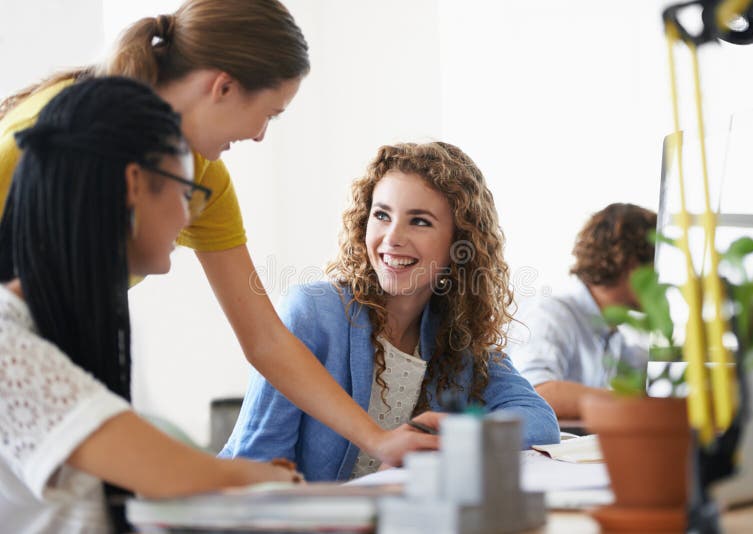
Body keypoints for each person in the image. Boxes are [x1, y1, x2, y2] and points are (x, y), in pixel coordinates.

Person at [0, 0, 437, 464]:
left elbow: (265, 339)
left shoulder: (204, 175)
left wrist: (376, 439)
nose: (261, 135)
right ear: (223, 87)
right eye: (269, 114)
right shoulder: (45, 142)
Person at [0, 77, 303, 534]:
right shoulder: (8, 345)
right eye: (185, 193)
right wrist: (267, 477)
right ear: (134, 184)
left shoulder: (60, 330)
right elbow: (180, 477)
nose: (188, 217)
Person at [220, 142, 560, 481]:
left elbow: (540, 421)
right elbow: (258, 465)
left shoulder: (457, 338)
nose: (393, 237)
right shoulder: (312, 313)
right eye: (382, 215)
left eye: (420, 222)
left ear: (460, 245)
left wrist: (451, 440)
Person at [506, 203, 657, 419]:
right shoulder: (551, 314)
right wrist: (641, 404)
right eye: (657, 266)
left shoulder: (613, 335)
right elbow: (536, 393)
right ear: (632, 265)